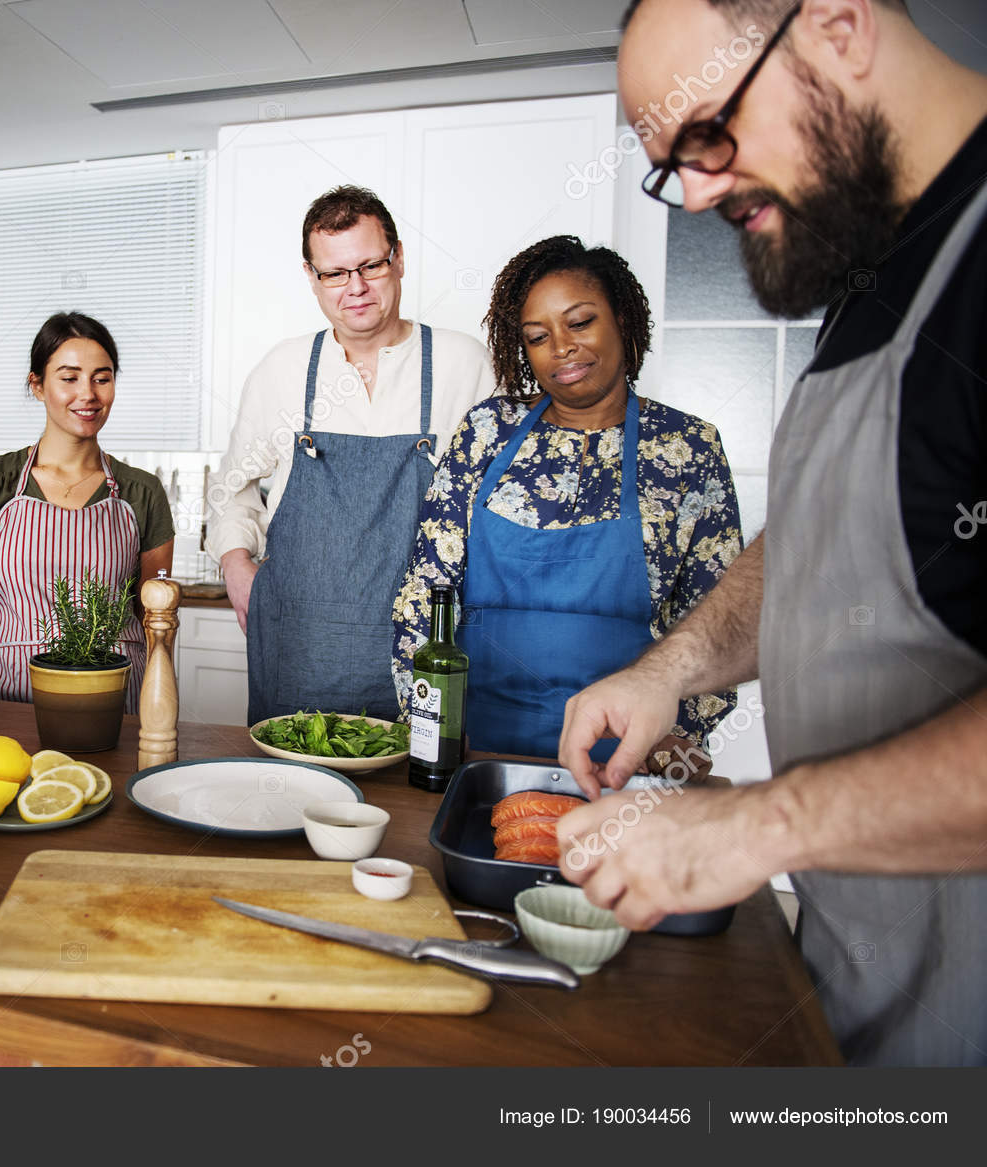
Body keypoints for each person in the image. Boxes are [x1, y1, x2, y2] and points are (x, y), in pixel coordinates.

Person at [557, 0, 987, 1065]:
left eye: (706, 135)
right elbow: (828, 540)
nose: (696, 193)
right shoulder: (872, 271)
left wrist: (750, 827)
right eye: (671, 165)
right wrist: (669, 670)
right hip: (867, 1003)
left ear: (836, 27)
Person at [392, 236, 741, 768]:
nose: (561, 346)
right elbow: (424, 592)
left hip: (630, 752)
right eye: (538, 336)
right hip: (475, 742)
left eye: (580, 323)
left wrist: (682, 731)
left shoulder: (687, 448)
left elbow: (717, 614)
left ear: (622, 318)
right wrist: (431, 726)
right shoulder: (485, 433)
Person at [207, 185, 496, 723]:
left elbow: (500, 508)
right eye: (335, 273)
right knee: (291, 791)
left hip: (429, 648)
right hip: (299, 642)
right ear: (311, 277)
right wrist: (234, 563)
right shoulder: (283, 370)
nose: (355, 287)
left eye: (370, 266)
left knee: (419, 794)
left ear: (399, 259)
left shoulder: (465, 364)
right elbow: (231, 487)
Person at [0, 313, 174, 712]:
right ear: (37, 385)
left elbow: (156, 613)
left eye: (101, 378)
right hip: (9, 694)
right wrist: (0, 661)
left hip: (116, 695)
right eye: (69, 378)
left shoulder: (143, 491)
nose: (87, 394)